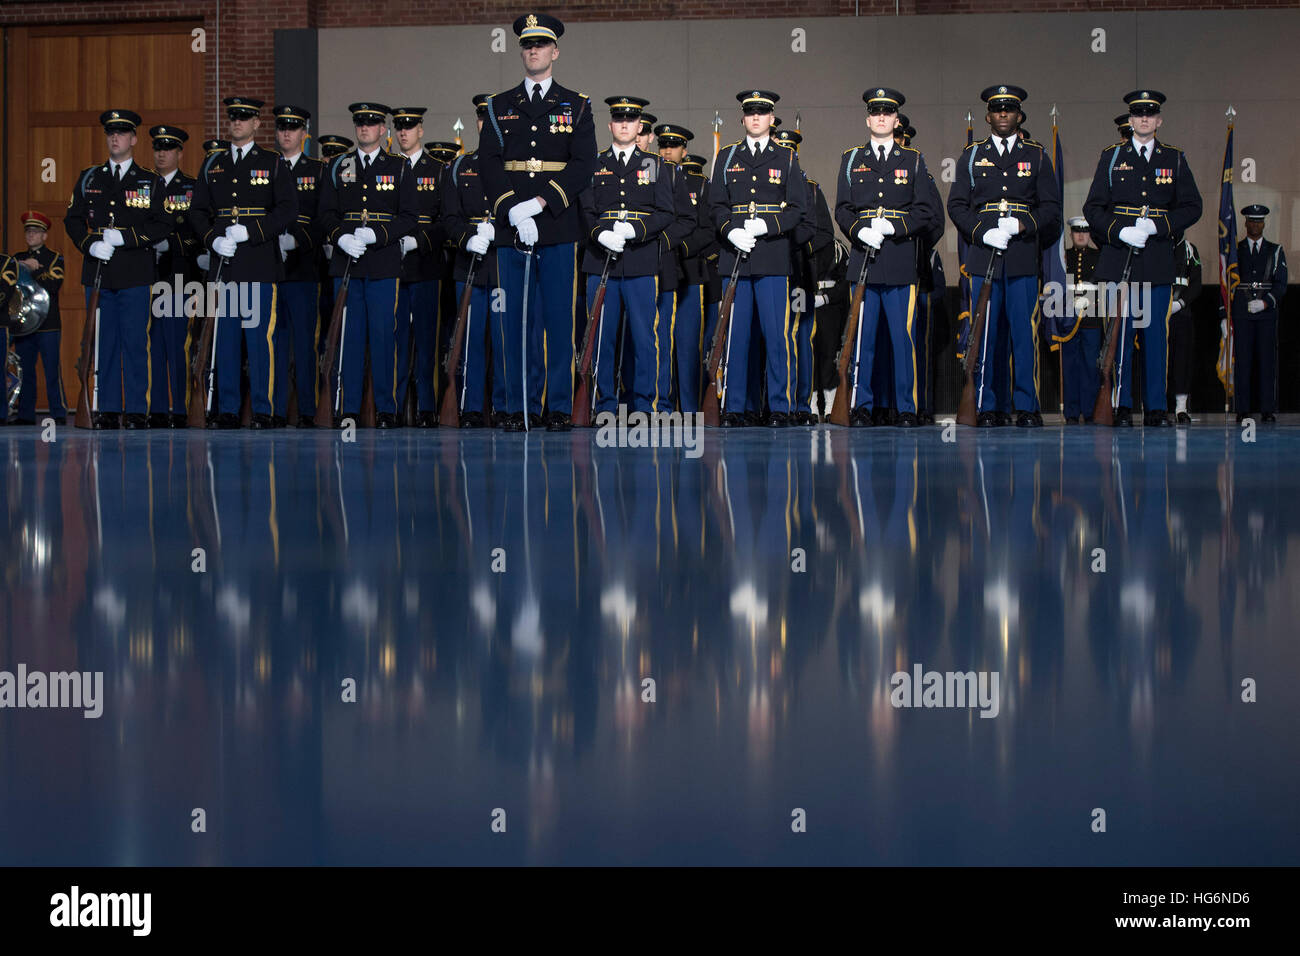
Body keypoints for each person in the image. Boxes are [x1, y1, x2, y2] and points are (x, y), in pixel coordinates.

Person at [478, 13, 597, 431]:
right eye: (528, 44)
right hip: (512, 229)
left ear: (555, 51)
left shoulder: (577, 105)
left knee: (559, 321)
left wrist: (541, 202)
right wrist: (512, 207)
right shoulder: (498, 105)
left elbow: (584, 165)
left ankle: (559, 406)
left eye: (541, 44)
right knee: (515, 323)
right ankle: (517, 406)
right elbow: (489, 162)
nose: (534, 50)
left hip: (559, 226)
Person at [1083, 89, 1202, 427]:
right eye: (1138, 114)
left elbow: (1193, 206)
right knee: (1119, 336)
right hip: (1120, 256)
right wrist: (1119, 230)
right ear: (1131, 121)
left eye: (1150, 113)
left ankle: (1155, 408)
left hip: (1157, 257)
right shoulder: (1111, 157)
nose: (1144, 118)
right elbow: (1092, 208)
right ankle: (1120, 405)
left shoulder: (1174, 158)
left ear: (1159, 120)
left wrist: (1159, 225)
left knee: (1155, 338)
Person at [948, 85, 1061, 428]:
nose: (1002, 115)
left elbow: (1052, 208)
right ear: (988, 116)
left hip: (1023, 254)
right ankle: (986, 405)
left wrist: (1022, 223)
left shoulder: (1037, 155)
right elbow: (957, 205)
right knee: (985, 333)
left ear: (1019, 115)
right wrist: (982, 231)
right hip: (984, 254)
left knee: (1024, 335)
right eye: (997, 109)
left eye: (1009, 109)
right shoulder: (971, 155)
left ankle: (1027, 406)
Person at [189, 96, 298, 428]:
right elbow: (196, 212)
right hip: (224, 263)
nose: (236, 122)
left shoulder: (273, 162)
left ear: (256, 124)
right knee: (226, 339)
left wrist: (251, 232)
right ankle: (228, 409)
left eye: (244, 117)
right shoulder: (214, 164)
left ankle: (263, 410)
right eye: (233, 117)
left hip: (259, 263)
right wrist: (213, 239)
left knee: (258, 340)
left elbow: (287, 209)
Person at [834, 87, 938, 427]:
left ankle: (906, 407)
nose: (881, 117)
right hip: (863, 259)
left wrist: (894, 227)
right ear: (868, 119)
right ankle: (862, 405)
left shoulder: (913, 160)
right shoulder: (851, 159)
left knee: (901, 339)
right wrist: (859, 230)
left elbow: (925, 211)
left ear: (896, 120)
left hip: (899, 259)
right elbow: (843, 208)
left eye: (887, 112)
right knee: (861, 338)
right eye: (875, 112)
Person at [64, 109, 171, 429]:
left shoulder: (150, 181)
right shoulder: (90, 177)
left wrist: (126, 238)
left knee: (136, 343)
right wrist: (89, 244)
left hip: (135, 273)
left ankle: (138, 409)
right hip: (98, 272)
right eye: (111, 133)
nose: (115, 138)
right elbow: (72, 220)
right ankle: (108, 408)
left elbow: (163, 225)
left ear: (134, 139)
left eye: (122, 133)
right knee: (104, 343)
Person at [708, 90, 807, 427]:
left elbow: (797, 209)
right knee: (735, 336)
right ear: (743, 118)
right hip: (735, 254)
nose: (755, 117)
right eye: (750, 112)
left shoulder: (787, 158)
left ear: (771, 119)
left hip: (772, 256)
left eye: (762, 112)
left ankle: (780, 406)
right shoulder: (726, 156)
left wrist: (767, 224)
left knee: (776, 336)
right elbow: (716, 205)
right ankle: (734, 407)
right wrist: (729, 230)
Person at [316, 102, 418, 428]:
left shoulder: (399, 167)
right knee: (350, 336)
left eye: (371, 124)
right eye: (359, 123)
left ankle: (386, 409)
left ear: (383, 130)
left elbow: (409, 217)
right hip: (348, 263)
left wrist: (377, 234)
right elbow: (325, 214)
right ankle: (349, 408)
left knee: (383, 336)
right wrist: (341, 237)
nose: (364, 128)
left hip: (383, 262)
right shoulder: (339, 166)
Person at [578, 96, 675, 416]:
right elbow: (585, 210)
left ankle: (643, 406)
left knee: (644, 338)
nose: (624, 124)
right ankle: (604, 404)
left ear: (638, 127)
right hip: (600, 260)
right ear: (610, 125)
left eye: (630, 120)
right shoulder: (594, 163)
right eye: (618, 119)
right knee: (601, 337)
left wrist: (637, 230)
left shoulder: (657, 165)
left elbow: (666, 213)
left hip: (640, 261)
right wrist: (599, 233)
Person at [441, 94, 499, 427]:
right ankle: (472, 406)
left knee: (506, 343)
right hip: (470, 265)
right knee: (471, 339)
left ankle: (506, 406)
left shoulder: (516, 167)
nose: (486, 125)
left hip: (505, 266)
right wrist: (468, 237)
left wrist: (500, 233)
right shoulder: (461, 166)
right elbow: (449, 217)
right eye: (481, 119)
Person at [774, 123, 835, 424]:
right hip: (770, 272)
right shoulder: (767, 186)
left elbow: (824, 234)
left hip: (799, 273)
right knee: (773, 337)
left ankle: (802, 402)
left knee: (800, 336)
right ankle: (773, 402)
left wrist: (791, 240)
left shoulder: (811, 190)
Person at [271, 105, 326, 427]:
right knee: (274, 343)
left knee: (306, 343)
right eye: (281, 128)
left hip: (304, 269)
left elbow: (323, 219)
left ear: (304, 133)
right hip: (272, 269)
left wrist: (299, 241)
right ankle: (276, 411)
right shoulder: (267, 169)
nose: (286, 133)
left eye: (293, 128)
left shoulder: (317, 171)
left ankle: (307, 410)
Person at [391, 107, 446, 427]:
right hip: (394, 268)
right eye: (399, 127)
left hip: (425, 266)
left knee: (427, 342)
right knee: (396, 342)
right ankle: (395, 407)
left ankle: (427, 407)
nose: (403, 133)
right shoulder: (389, 168)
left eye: (409, 127)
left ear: (420, 131)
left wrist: (419, 242)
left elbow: (445, 224)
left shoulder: (437, 170)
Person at [146, 125, 198, 427]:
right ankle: (156, 408)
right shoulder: (143, 186)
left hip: (179, 277)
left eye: (168, 148)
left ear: (179, 153)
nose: (161, 153)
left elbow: (198, 235)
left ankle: (179, 408)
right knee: (152, 345)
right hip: (147, 276)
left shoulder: (191, 188)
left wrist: (172, 244)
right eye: (157, 148)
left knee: (177, 345)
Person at [1231, 204, 1287, 423]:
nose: (1255, 225)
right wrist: (1223, 316)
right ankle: (1242, 408)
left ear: (1264, 223)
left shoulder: (1275, 250)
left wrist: (1265, 303)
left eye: (1259, 221)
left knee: (1266, 361)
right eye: (1251, 221)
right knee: (1243, 361)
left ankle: (1267, 408)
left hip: (1265, 313)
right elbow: (1228, 282)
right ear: (1245, 223)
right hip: (1242, 312)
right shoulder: (1236, 250)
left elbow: (1281, 284)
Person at [9, 211, 66, 425]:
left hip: (49, 323)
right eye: (28, 231)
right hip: (23, 323)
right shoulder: (16, 259)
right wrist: (24, 266)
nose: (31, 235)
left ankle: (58, 413)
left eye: (36, 232)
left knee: (52, 370)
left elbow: (54, 285)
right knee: (26, 371)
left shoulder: (55, 258)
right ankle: (25, 414)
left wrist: (34, 270)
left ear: (44, 236)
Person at [1055, 217, 1102, 423]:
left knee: (1091, 366)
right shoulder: (1064, 257)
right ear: (1072, 234)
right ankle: (1072, 412)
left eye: (1085, 231)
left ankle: (1090, 410)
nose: (1081, 235)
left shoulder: (1099, 256)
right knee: (1070, 365)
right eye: (1077, 231)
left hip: (1092, 316)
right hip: (1069, 317)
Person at [1168, 233, 1202, 424]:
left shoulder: (1190, 250)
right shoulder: (1157, 245)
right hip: (1159, 312)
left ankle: (1181, 407)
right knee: (1159, 360)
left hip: (1182, 312)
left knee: (1182, 359)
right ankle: (1157, 406)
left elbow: (1196, 283)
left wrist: (1181, 303)